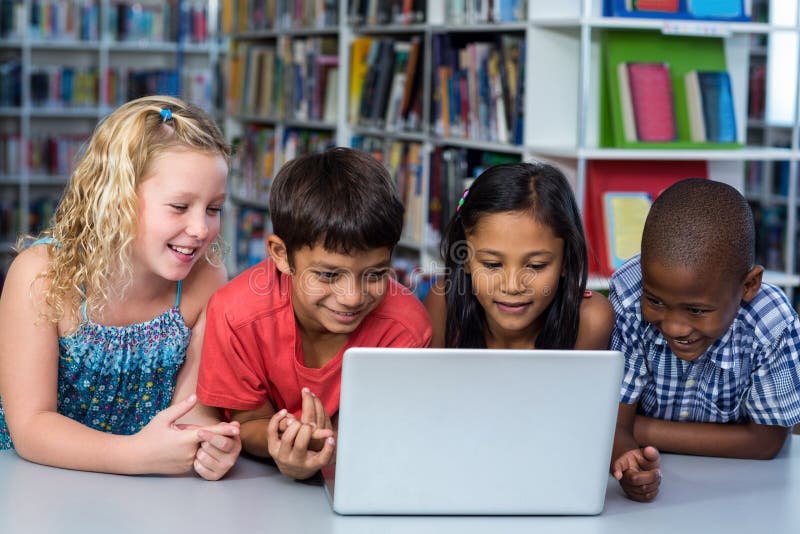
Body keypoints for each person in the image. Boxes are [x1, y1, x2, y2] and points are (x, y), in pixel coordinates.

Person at [0, 95, 241, 480]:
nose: (201, 229)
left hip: (149, 493)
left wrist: (205, 444)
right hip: (35, 482)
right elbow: (30, 426)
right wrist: (136, 456)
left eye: (213, 209)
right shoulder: (40, 274)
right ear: (118, 200)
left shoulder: (207, 278)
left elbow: (192, 409)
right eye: (180, 207)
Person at [196, 147, 432, 481]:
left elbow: (389, 430)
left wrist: (323, 447)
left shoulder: (406, 327)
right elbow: (246, 422)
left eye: (376, 274)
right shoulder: (236, 314)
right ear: (281, 254)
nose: (352, 298)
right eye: (328, 275)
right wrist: (286, 444)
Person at [610, 178, 800, 502]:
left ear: (749, 286)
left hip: (741, 493)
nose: (673, 327)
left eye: (697, 310)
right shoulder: (630, 297)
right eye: (655, 301)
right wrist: (628, 459)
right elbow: (615, 424)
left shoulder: (773, 326)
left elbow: (766, 443)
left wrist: (635, 430)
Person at [424, 161, 614, 350]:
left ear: (565, 260)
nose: (512, 286)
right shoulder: (444, 305)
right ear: (464, 258)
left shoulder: (589, 320)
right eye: (492, 264)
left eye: (536, 266)